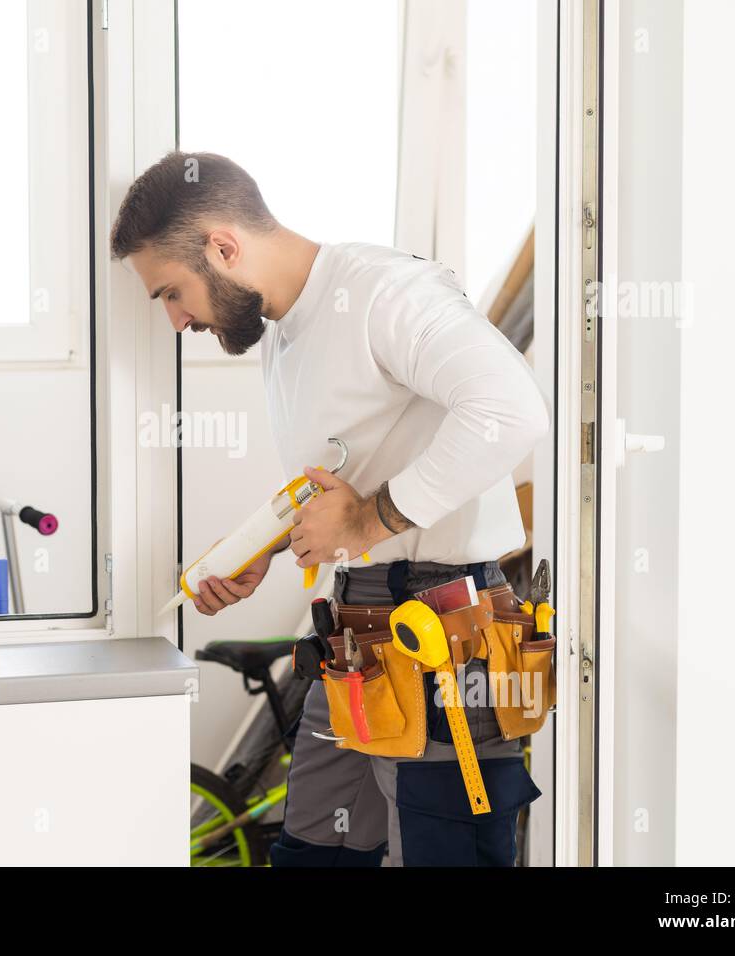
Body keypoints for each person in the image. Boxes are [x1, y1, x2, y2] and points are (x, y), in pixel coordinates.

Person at [110, 151, 550, 866]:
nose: (174, 318)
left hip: (440, 627)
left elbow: (512, 410)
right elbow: (343, 479)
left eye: (171, 291)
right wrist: (265, 548)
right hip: (351, 638)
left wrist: (369, 522)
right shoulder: (282, 332)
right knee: (316, 853)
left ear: (223, 246)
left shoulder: (384, 292)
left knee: (444, 855)